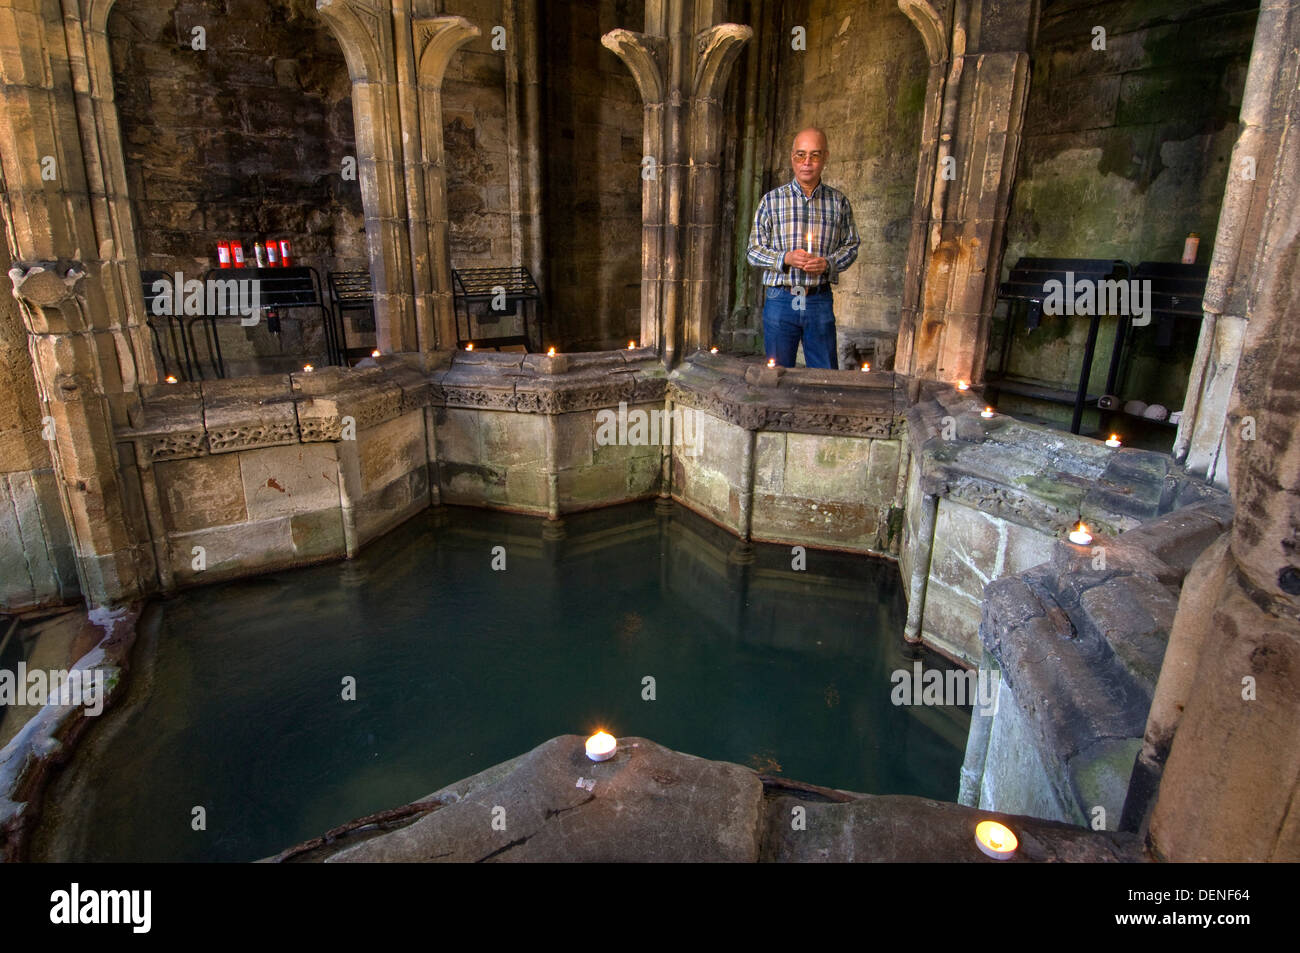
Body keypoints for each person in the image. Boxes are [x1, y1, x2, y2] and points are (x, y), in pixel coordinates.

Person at [746, 128, 860, 369]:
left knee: (824, 373)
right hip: (781, 298)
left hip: (818, 299)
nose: (807, 162)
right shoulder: (771, 201)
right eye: (801, 155)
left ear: (825, 157)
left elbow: (851, 245)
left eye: (814, 155)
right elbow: (753, 251)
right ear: (792, 157)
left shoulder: (838, 202)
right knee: (777, 372)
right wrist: (785, 258)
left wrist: (828, 263)